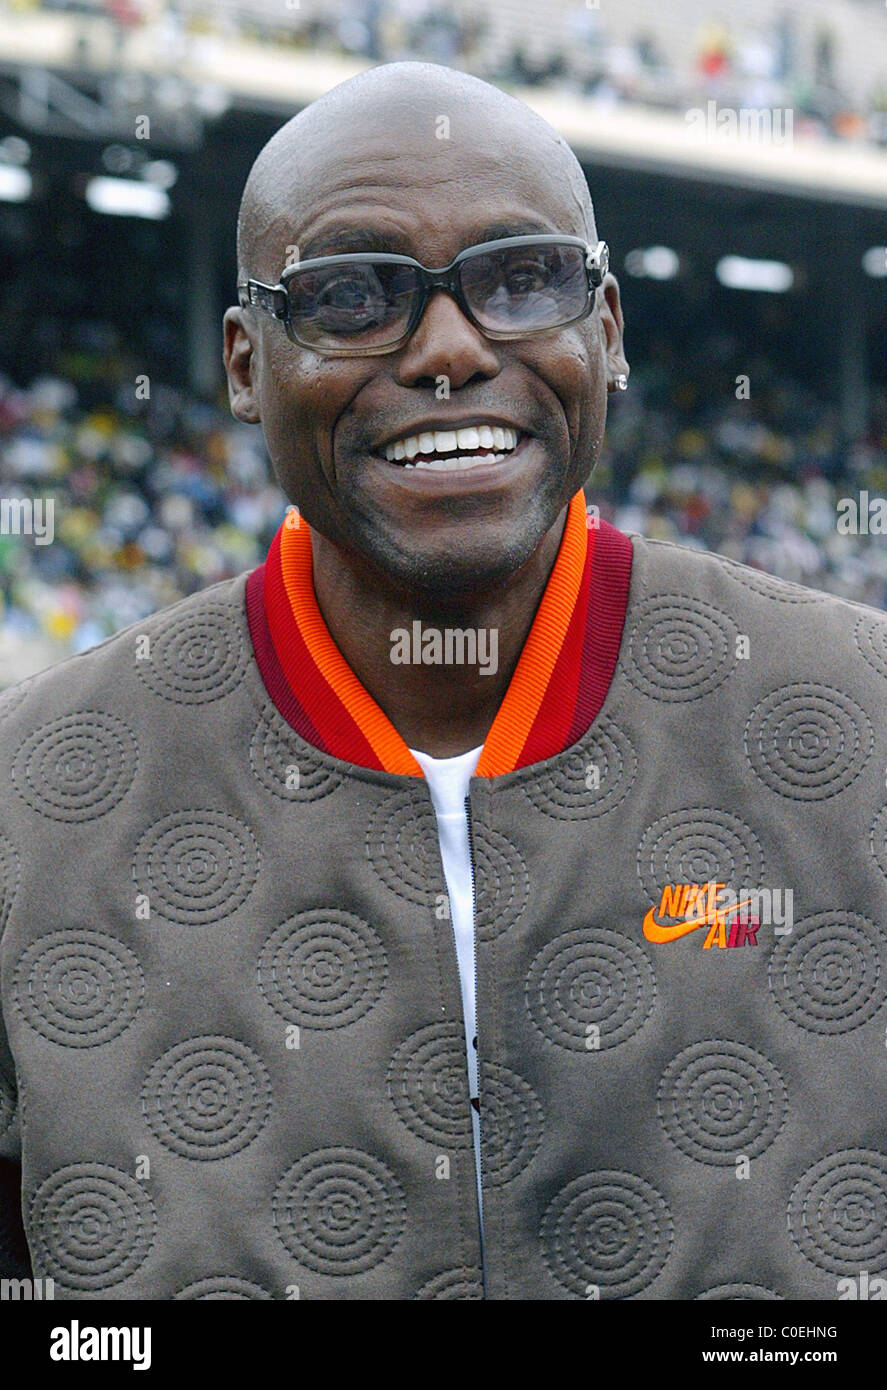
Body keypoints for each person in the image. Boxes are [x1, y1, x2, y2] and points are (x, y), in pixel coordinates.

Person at [1, 61, 886, 1301]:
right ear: (247, 365)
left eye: (520, 278)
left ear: (608, 331)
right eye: (349, 295)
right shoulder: (30, 796)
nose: (450, 349)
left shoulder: (861, 724)